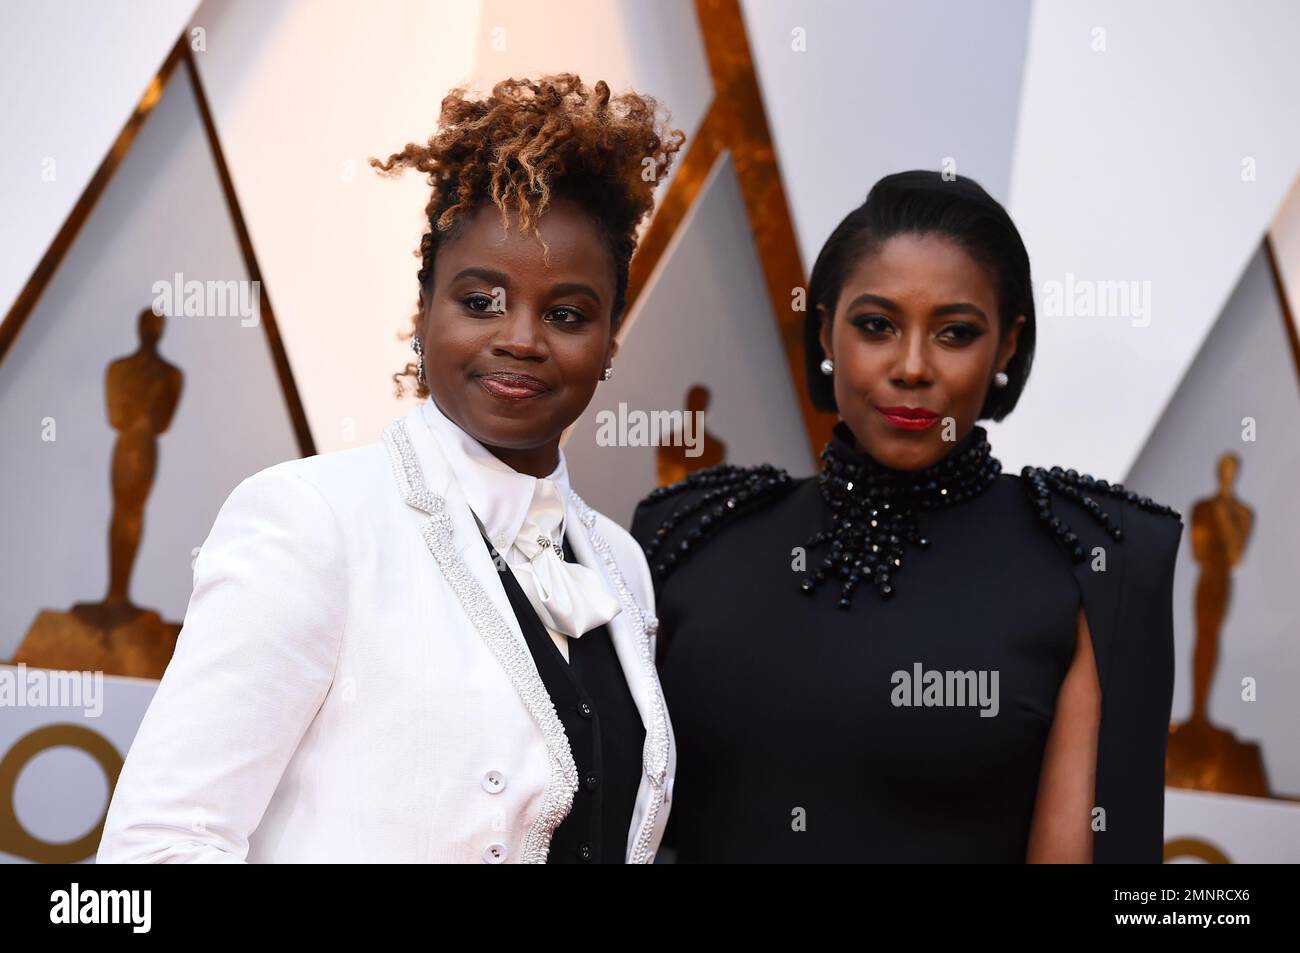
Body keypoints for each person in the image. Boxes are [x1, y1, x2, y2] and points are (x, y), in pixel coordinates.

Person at [98, 74, 684, 864]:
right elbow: (157, 846)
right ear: (423, 313)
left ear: (610, 341)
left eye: (567, 314)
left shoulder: (622, 565)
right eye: (480, 300)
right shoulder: (313, 520)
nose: (520, 337)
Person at [631, 171, 1183, 863]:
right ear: (826, 328)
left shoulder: (1093, 558)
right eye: (876, 325)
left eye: (955, 332)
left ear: (1007, 346)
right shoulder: (690, 534)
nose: (912, 366)